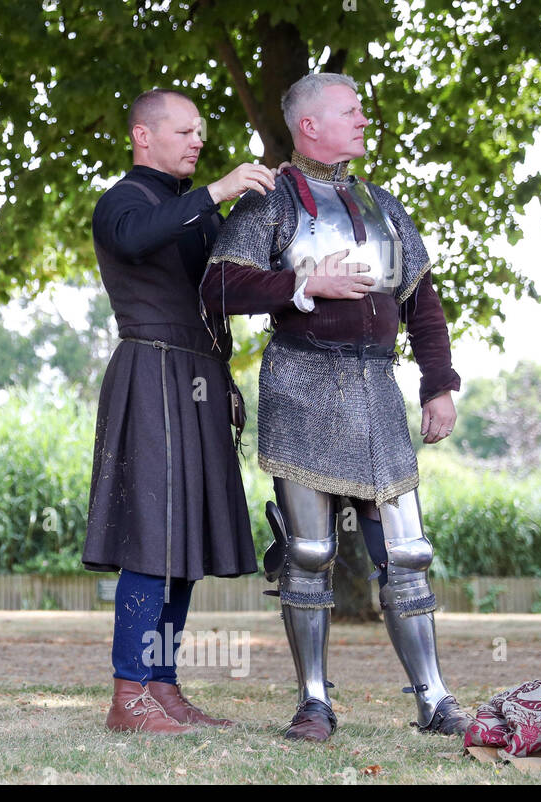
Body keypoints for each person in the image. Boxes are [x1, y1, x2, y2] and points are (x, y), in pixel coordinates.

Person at [201, 72, 472, 741]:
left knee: (407, 554)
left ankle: (435, 698)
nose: (363, 120)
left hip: (378, 392)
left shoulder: (383, 204)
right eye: (349, 112)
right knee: (312, 550)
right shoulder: (270, 201)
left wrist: (439, 383)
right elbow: (217, 283)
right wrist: (301, 281)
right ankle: (314, 702)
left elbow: (421, 302)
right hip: (302, 389)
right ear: (308, 125)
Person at [85, 88, 275, 733]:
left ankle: (161, 687)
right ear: (144, 136)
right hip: (151, 372)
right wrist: (219, 191)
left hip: (197, 374)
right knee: (151, 535)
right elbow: (138, 240)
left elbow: (222, 290)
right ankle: (127, 695)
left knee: (184, 540)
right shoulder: (125, 201)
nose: (198, 140)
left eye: (201, 132)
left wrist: (305, 283)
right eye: (185, 131)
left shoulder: (192, 210)